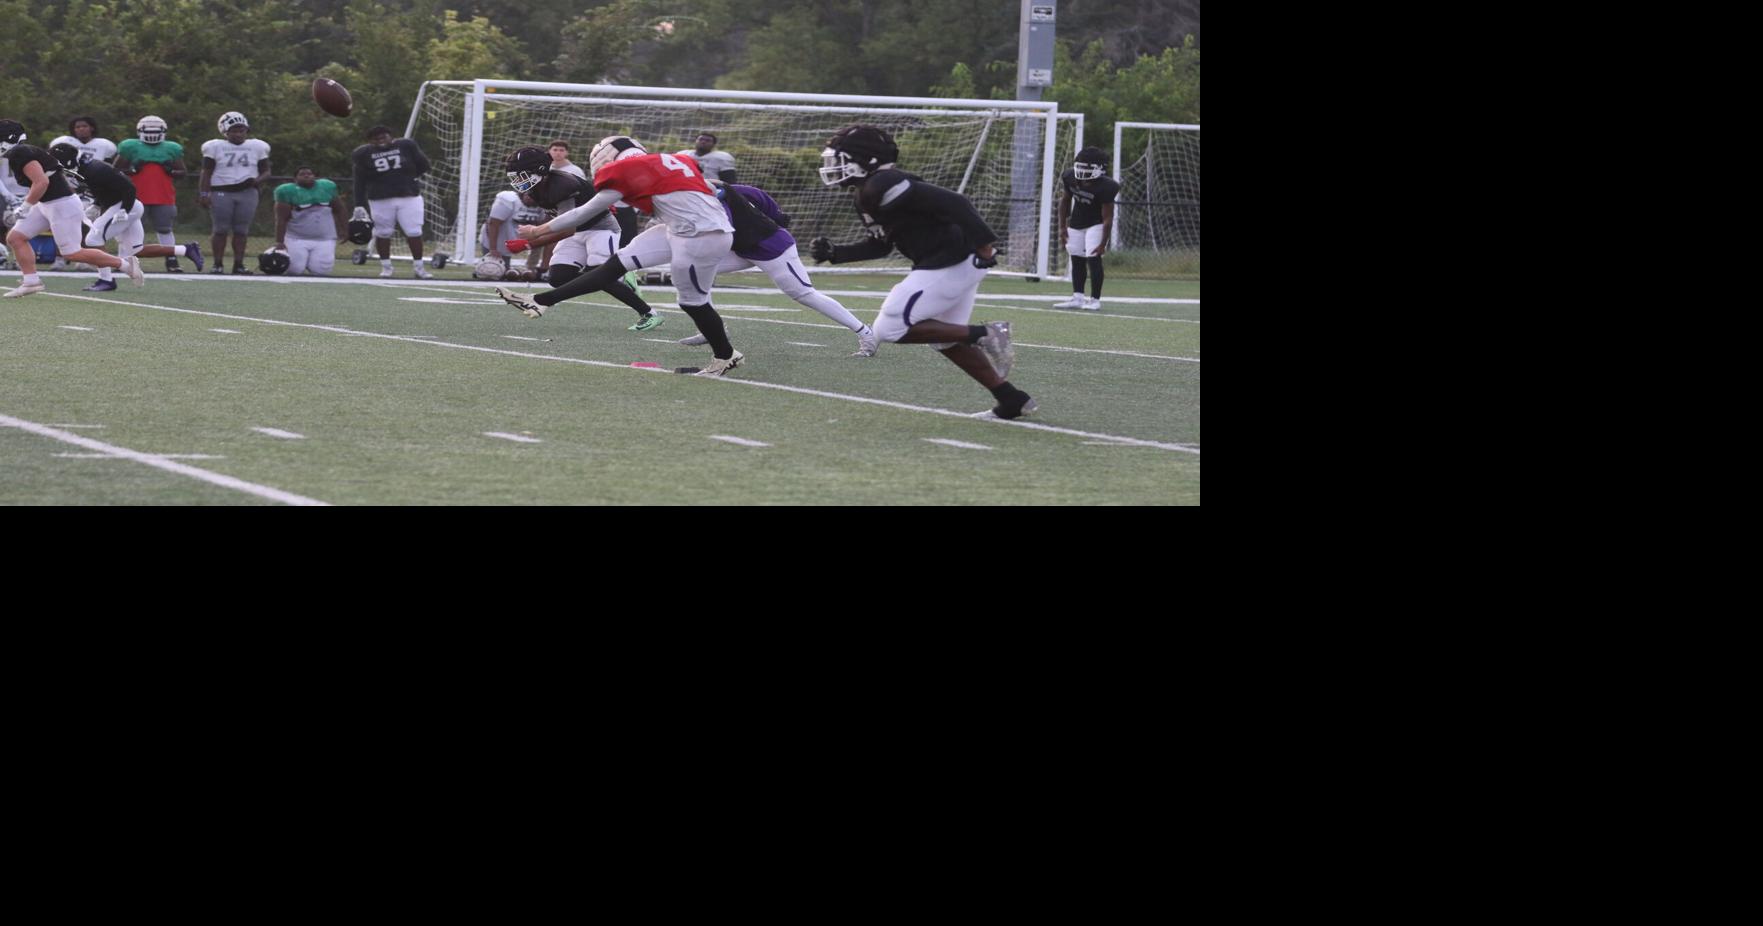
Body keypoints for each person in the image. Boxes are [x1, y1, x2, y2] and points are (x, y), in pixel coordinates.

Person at [809, 124, 1034, 419]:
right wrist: (837, 254)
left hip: (951, 260)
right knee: (945, 337)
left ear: (868, 160)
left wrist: (985, 244)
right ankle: (1011, 399)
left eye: (842, 158)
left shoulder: (884, 183)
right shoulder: (866, 192)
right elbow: (881, 245)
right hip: (949, 261)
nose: (833, 166)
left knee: (889, 327)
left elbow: (956, 202)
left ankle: (988, 334)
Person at [495, 135, 744, 376]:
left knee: (690, 300)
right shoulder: (674, 161)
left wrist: (535, 234)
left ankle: (724, 355)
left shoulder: (623, 172)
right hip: (677, 227)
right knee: (615, 265)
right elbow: (713, 188)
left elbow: (580, 215)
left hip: (698, 233)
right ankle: (542, 301)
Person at [676, 180, 877, 356]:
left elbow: (760, 203)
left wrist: (777, 222)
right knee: (696, 269)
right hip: (743, 250)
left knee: (804, 294)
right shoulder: (693, 200)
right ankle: (710, 329)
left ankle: (865, 333)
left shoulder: (725, 193)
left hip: (772, 248)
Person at [495, 145, 660, 330]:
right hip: (576, 231)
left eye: (522, 175)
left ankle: (648, 313)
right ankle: (616, 277)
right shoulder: (538, 186)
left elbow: (567, 229)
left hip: (600, 229)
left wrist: (528, 243)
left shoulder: (563, 186)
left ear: (539, 170)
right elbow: (557, 218)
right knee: (558, 277)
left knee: (598, 272)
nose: (518, 180)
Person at [3, 119, 141, 298]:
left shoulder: (20, 152)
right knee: (16, 237)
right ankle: (31, 282)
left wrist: (25, 206)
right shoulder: (21, 151)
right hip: (46, 203)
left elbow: (41, 182)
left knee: (73, 253)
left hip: (61, 204)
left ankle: (125, 265)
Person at [49, 143, 203, 291]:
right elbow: (105, 189)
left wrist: (124, 210)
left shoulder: (95, 169)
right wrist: (96, 205)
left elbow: (129, 187)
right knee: (136, 250)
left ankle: (106, 280)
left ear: (68, 162)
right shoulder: (87, 169)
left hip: (126, 206)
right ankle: (186, 249)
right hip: (127, 205)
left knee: (93, 239)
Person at [351, 125, 433, 279]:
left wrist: (410, 178)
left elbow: (424, 165)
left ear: (391, 136)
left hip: (409, 196)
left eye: (384, 137)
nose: (381, 141)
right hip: (380, 198)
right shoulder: (362, 154)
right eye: (376, 139)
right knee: (383, 233)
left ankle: (419, 268)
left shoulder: (406, 145)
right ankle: (386, 267)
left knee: (414, 231)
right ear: (370, 141)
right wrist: (359, 204)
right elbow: (359, 181)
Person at [114, 115, 191, 272]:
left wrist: (170, 170)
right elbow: (115, 170)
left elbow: (182, 172)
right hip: (134, 196)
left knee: (164, 229)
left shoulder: (172, 148)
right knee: (127, 229)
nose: (152, 134)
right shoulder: (130, 147)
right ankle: (123, 261)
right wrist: (132, 170)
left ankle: (171, 261)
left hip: (162, 195)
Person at [199, 111, 271, 274]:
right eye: (234, 130)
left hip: (247, 192)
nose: (239, 134)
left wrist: (255, 181)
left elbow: (266, 171)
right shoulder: (215, 146)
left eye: (242, 130)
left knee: (241, 230)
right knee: (220, 229)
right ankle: (217, 264)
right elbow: (206, 172)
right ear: (225, 131)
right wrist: (204, 193)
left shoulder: (257, 146)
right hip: (221, 191)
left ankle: (238, 264)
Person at [1053, 147, 1119, 311]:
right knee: (1076, 257)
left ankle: (1095, 300)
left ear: (1100, 169)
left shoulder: (1107, 186)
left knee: (1093, 257)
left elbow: (1108, 217)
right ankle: (1078, 297)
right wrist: (1062, 226)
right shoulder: (1070, 176)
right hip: (1077, 222)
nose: (1081, 171)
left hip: (1096, 223)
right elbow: (1065, 201)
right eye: (1080, 166)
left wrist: (1103, 242)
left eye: (1086, 167)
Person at [272, 167, 348, 276]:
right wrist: (279, 241)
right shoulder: (287, 191)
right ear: (295, 178)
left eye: (309, 173)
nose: (307, 176)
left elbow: (340, 210)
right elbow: (281, 219)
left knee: (322, 271)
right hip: (296, 238)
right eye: (302, 174)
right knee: (294, 270)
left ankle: (310, 262)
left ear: (315, 176)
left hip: (324, 238)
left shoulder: (327, 187)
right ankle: (302, 261)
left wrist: (345, 230)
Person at [476, 189, 548, 279]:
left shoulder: (544, 206)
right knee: (494, 272)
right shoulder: (509, 201)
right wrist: (493, 249)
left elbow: (546, 230)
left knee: (544, 233)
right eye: (529, 194)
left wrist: (543, 265)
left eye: (534, 196)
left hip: (525, 238)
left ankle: (533, 269)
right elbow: (493, 224)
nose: (530, 198)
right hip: (500, 240)